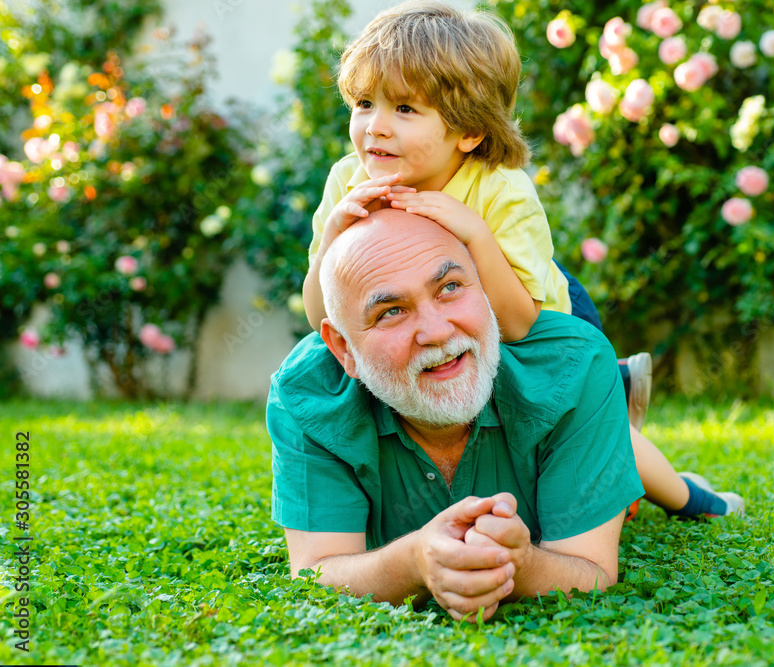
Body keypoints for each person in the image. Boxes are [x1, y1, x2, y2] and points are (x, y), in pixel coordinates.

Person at [298, 0, 744, 521]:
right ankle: (618, 398)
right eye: (364, 104)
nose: (374, 127)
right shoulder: (347, 182)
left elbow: (520, 324)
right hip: (444, 334)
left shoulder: (500, 191)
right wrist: (333, 237)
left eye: (404, 109)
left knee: (592, 434)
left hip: (536, 319)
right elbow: (319, 319)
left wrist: (474, 233)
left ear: (468, 131)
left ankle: (691, 496)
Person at [269, 210, 646, 621]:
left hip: (563, 397)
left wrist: (521, 565)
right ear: (343, 350)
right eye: (390, 311)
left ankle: (650, 459)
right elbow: (316, 572)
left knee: (633, 481)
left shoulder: (575, 365)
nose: (438, 331)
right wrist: (414, 561)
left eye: (449, 287)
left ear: (484, 289)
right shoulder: (307, 396)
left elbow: (591, 570)